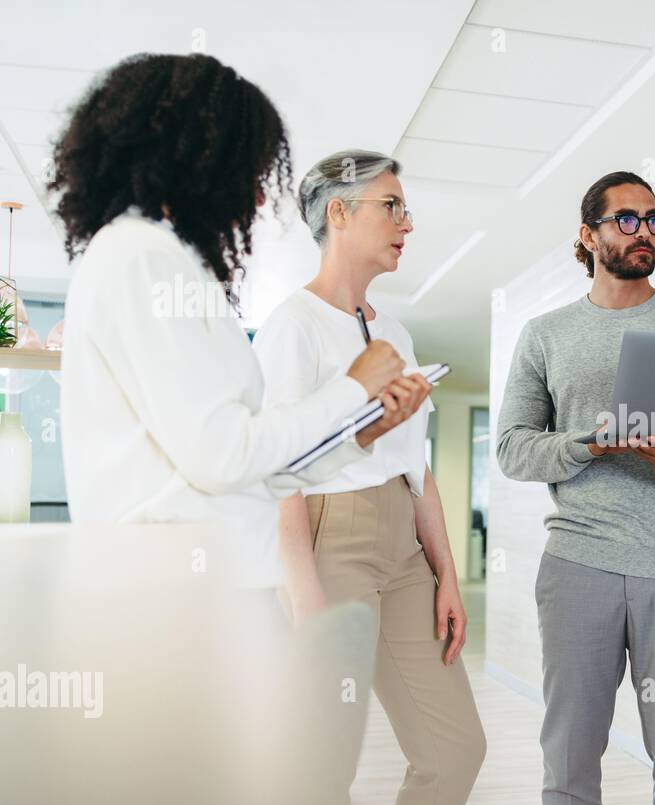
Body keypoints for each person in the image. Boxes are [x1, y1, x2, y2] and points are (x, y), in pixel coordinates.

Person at [53, 53, 428, 607]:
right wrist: (354, 386)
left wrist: (357, 438)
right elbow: (224, 457)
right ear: (199, 159)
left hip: (200, 591)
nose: (257, 195)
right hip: (170, 598)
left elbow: (244, 469)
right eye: (251, 170)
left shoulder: (163, 260)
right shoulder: (142, 257)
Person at [252, 150, 485, 805]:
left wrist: (446, 571)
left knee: (455, 749)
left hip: (405, 545)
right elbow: (280, 470)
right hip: (332, 536)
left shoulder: (401, 336)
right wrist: (305, 596)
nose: (406, 223)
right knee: (325, 768)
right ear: (340, 213)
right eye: (392, 206)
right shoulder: (292, 324)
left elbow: (415, 464)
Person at [495, 171, 655, 805]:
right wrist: (590, 441)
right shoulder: (546, 334)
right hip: (578, 567)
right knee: (569, 758)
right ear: (587, 234)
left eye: (654, 221)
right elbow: (513, 447)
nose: (643, 233)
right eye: (626, 220)